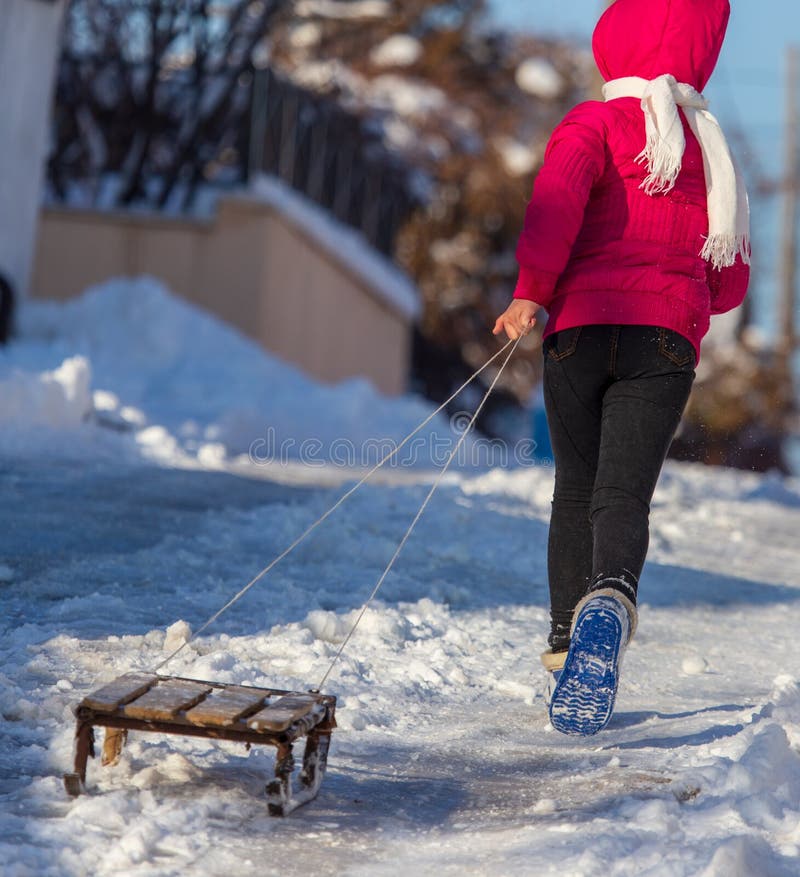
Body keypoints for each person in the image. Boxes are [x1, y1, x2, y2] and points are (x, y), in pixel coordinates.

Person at [493, 0, 750, 736]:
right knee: (621, 494)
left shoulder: (593, 125)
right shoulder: (709, 149)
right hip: (663, 343)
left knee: (574, 488)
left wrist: (530, 292)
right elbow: (728, 283)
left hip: (578, 330)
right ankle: (609, 595)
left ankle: (567, 643)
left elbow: (556, 204)